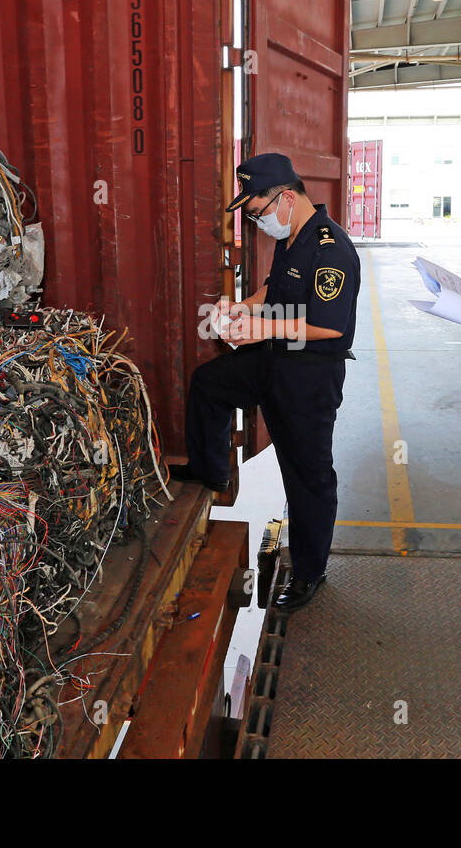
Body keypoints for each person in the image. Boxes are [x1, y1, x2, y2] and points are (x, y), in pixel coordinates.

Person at [169, 153, 360, 612]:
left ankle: (310, 571)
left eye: (257, 213)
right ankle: (210, 471)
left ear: (286, 198)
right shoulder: (290, 237)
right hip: (273, 360)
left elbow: (332, 328)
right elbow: (275, 291)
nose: (257, 223)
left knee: (307, 475)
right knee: (210, 383)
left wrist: (266, 328)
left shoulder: (332, 248)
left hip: (310, 374)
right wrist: (243, 308)